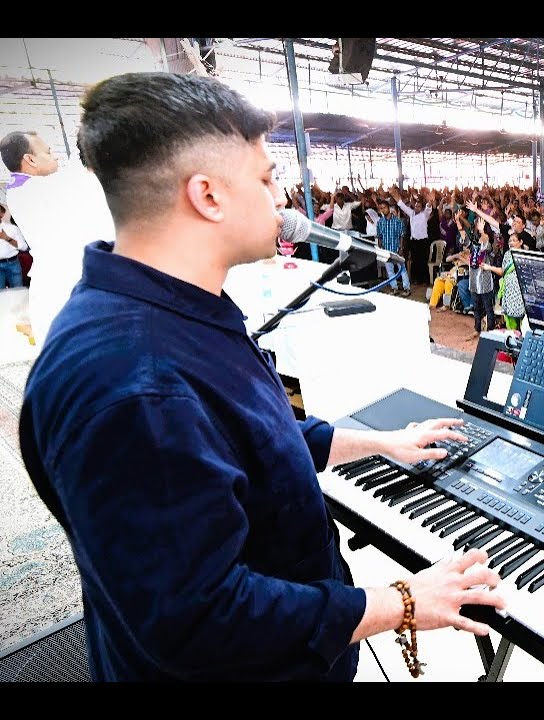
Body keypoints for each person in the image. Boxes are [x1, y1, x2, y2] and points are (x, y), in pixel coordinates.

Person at [17, 73, 504, 681]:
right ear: (208, 196)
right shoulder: (135, 385)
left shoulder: (173, 314)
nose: (282, 199)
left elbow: (252, 443)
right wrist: (401, 603)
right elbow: (201, 619)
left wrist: (379, 444)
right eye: (268, 178)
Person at [1, 130, 116, 346]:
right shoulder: (33, 191)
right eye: (48, 152)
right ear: (30, 159)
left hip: (64, 294)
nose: (55, 157)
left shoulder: (27, 190)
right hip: (67, 293)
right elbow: (83, 170)